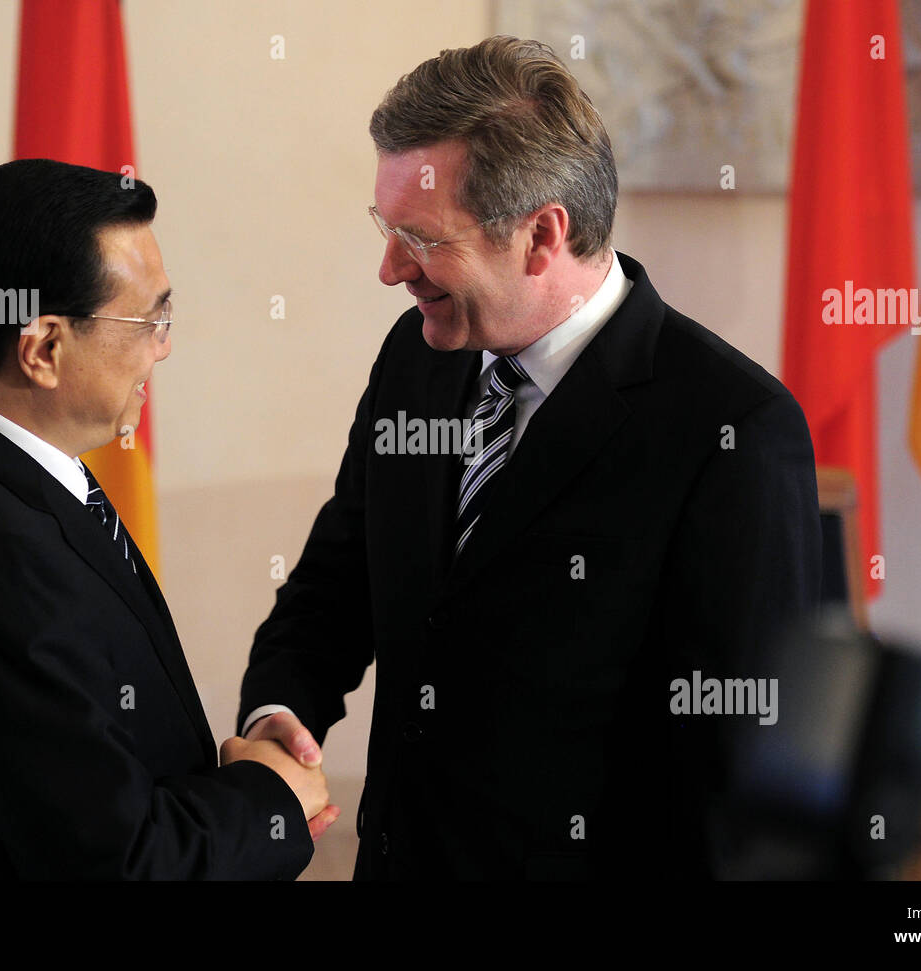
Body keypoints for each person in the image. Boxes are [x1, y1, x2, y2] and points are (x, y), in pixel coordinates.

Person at [238, 36, 821, 879]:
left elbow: (744, 773)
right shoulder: (417, 359)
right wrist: (277, 708)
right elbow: (338, 581)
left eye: (419, 237)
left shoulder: (732, 431)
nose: (389, 267)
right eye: (385, 226)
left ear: (542, 235)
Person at [0, 158, 332, 879]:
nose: (163, 346)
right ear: (43, 348)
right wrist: (269, 797)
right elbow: (116, 863)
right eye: (148, 320)